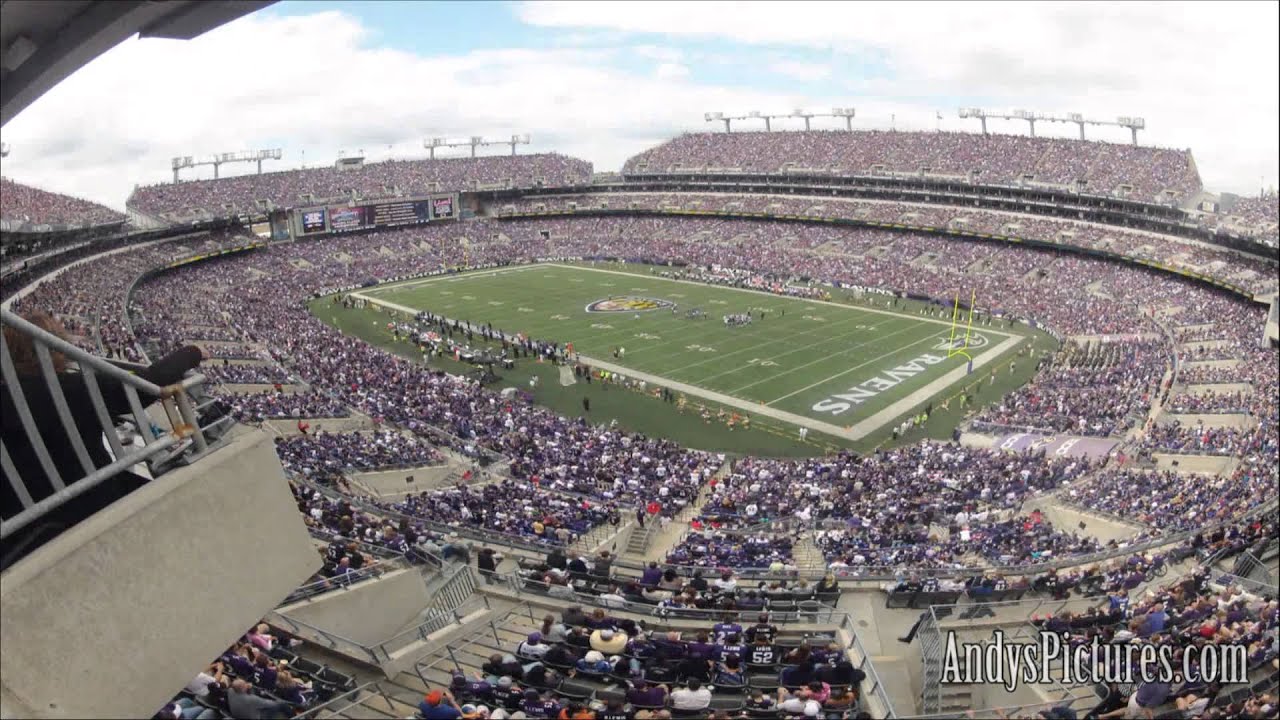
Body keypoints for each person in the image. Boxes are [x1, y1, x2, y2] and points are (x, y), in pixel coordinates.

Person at [1, 311, 205, 568]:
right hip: (91, 506)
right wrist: (193, 352)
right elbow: (150, 384)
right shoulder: (76, 388)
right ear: (56, 347)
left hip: (21, 530)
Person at [228, 679, 293, 719]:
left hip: (240, 715)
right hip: (258, 717)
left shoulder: (230, 691)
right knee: (280, 703)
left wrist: (249, 688)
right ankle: (294, 716)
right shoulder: (252, 699)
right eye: (245, 684)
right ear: (243, 688)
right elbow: (271, 704)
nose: (247, 684)